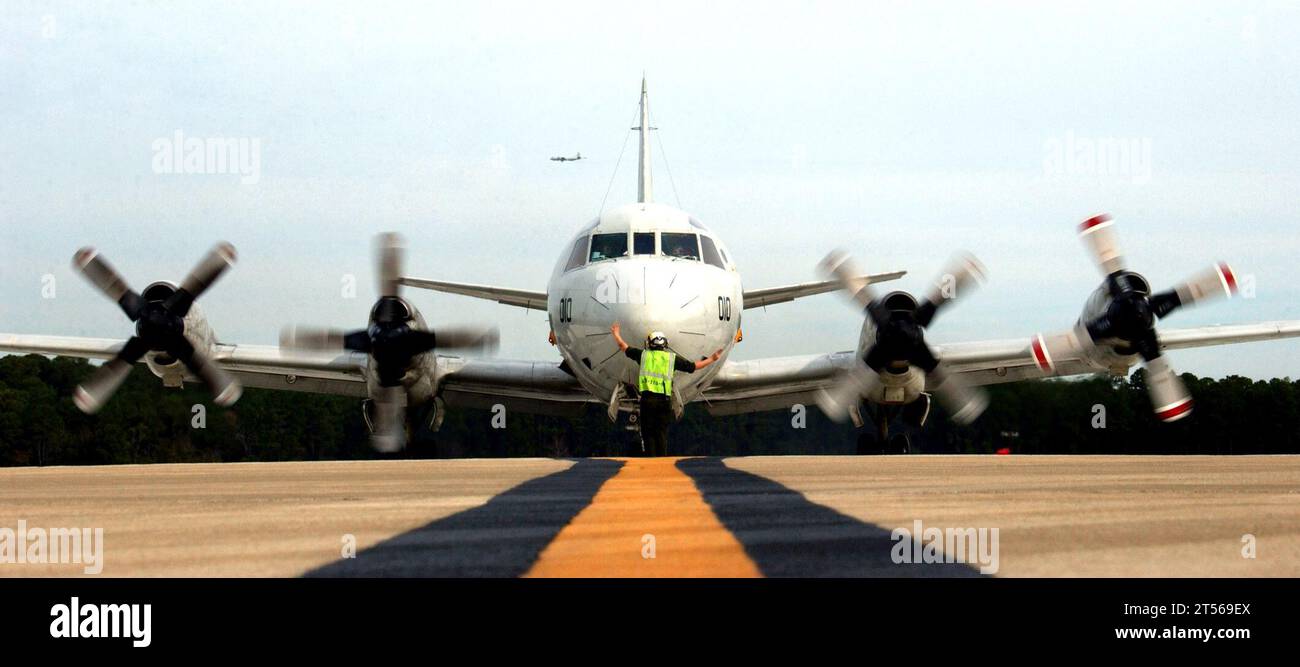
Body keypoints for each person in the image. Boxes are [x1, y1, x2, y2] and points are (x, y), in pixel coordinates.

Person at [610, 322, 723, 456]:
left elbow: (624, 347)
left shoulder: (644, 356)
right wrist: (712, 359)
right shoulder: (671, 359)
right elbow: (693, 367)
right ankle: (662, 463)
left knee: (648, 434)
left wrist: (616, 334)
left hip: (648, 401)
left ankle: (651, 461)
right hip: (664, 402)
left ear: (649, 344)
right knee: (661, 433)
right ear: (665, 345)